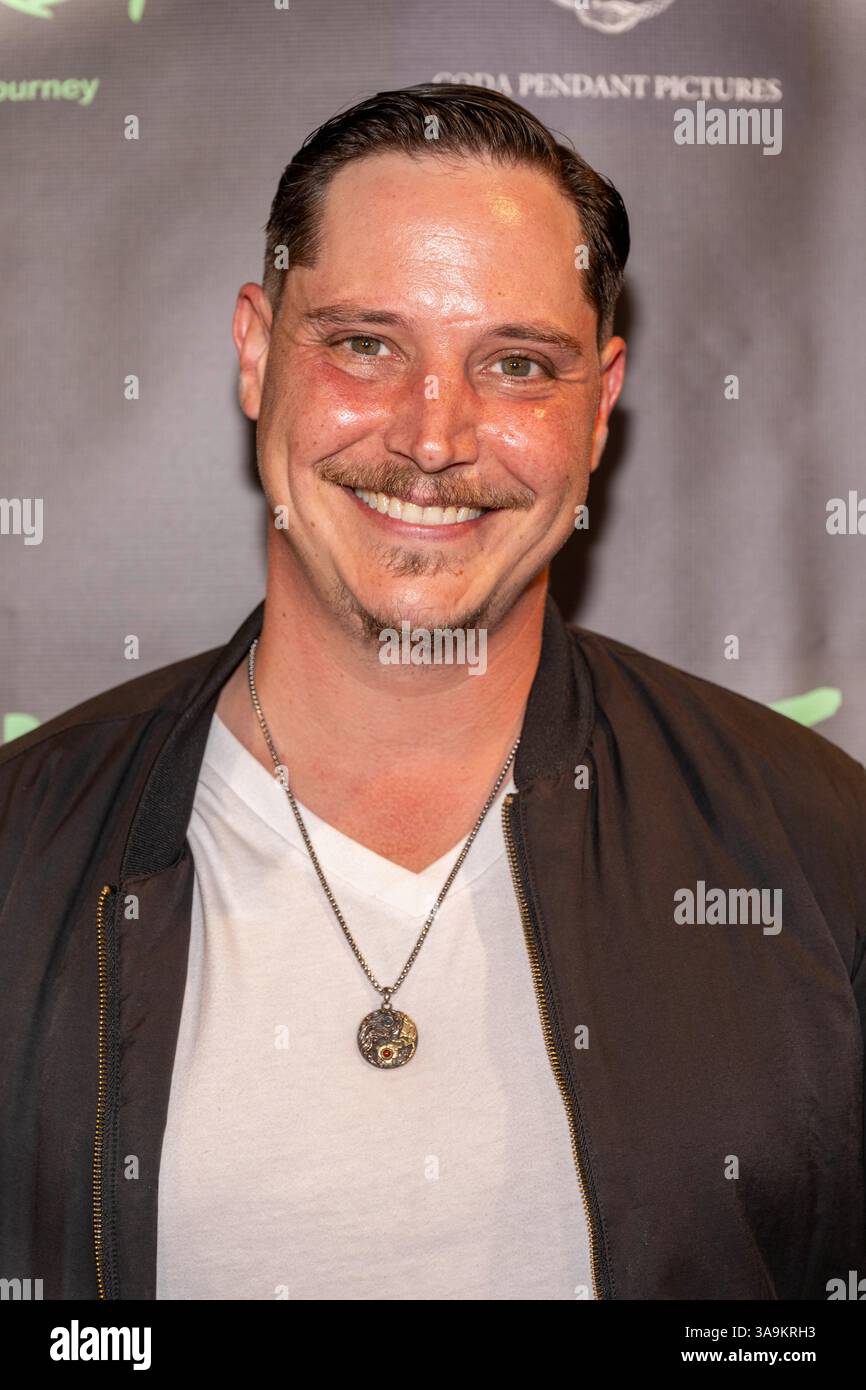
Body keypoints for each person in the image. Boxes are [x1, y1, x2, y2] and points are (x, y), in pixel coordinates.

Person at [1, 83, 864, 1303]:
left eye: (515, 365)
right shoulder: (22, 848)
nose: (430, 436)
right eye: (364, 344)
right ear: (256, 353)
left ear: (599, 408)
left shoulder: (816, 852)